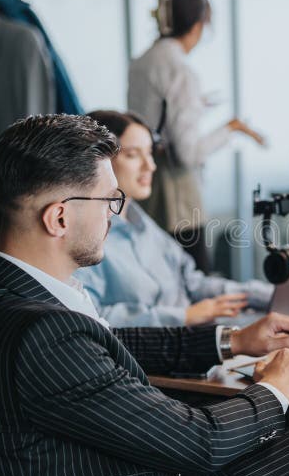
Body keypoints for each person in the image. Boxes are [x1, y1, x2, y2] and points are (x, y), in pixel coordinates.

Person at [0, 113, 289, 476]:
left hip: (114, 460)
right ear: (59, 217)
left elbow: (110, 348)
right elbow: (201, 444)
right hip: (143, 473)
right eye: (109, 201)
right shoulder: (44, 333)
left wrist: (231, 341)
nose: (115, 214)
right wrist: (278, 387)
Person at [75, 110, 272, 327]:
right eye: (133, 154)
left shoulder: (144, 226)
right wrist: (185, 316)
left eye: (149, 153)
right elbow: (93, 317)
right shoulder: (86, 240)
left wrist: (267, 296)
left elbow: (193, 283)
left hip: (199, 334)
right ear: (99, 162)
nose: (150, 166)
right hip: (168, 348)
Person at [128, 0, 264, 274]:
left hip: (146, 190)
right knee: (194, 286)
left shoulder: (142, 61)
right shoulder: (181, 70)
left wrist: (195, 105)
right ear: (198, 25)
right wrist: (230, 129)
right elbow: (188, 153)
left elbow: (151, 117)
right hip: (177, 200)